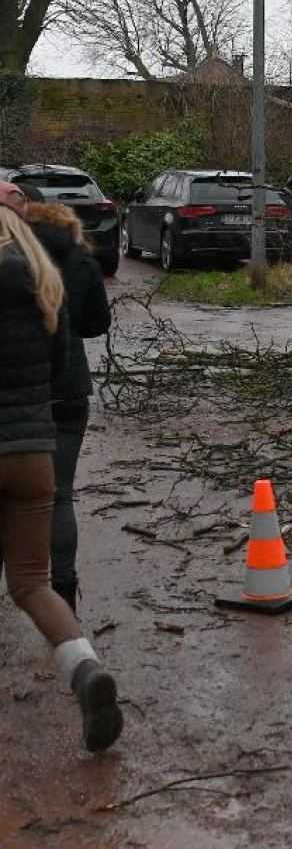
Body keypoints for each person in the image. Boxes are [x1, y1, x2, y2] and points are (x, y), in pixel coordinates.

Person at [0, 183, 123, 753]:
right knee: (31, 581)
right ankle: (85, 671)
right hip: (32, 451)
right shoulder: (44, 283)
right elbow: (60, 364)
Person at [24, 198, 111, 613]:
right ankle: (64, 591)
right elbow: (97, 323)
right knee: (60, 496)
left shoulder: (13, 256)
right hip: (69, 389)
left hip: (18, 394)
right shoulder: (80, 258)